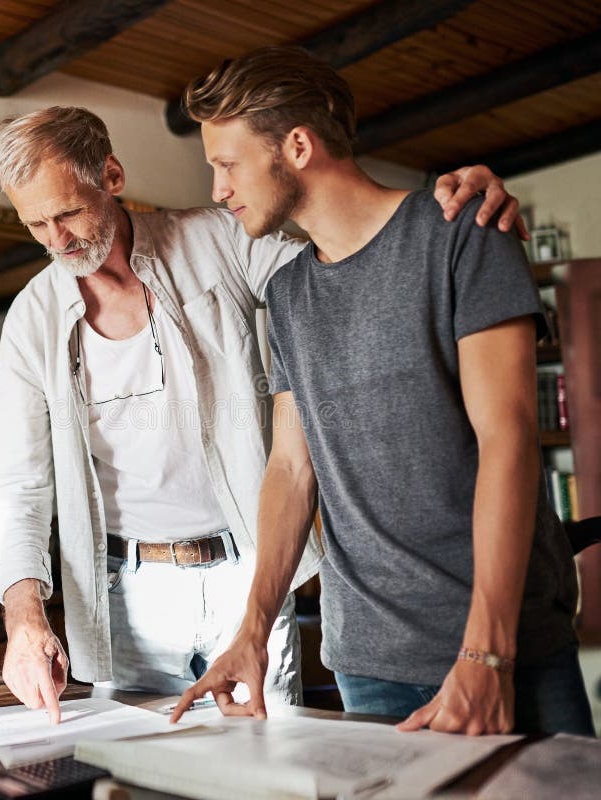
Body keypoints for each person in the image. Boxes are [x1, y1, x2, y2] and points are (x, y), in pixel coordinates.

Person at [0, 104, 527, 725]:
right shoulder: (32, 318)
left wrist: (441, 216)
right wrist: (24, 614)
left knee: (265, 772)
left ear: (109, 175)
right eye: (37, 225)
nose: (57, 241)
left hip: (246, 578)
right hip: (123, 596)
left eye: (68, 213)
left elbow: (345, 260)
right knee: (142, 781)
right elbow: (16, 483)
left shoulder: (219, 239)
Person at [171, 46, 594, 737]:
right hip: (366, 661)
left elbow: (509, 439)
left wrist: (488, 653)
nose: (218, 189)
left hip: (502, 647)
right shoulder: (288, 295)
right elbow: (291, 468)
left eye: (227, 163)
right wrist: (251, 629)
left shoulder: (463, 236)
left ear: (297, 146)